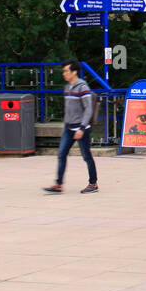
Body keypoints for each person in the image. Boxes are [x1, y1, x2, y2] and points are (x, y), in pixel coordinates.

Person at [43, 61, 98, 194]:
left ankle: (93, 183)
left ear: (74, 72)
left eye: (66, 71)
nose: (64, 73)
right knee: (61, 154)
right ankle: (58, 185)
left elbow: (88, 109)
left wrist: (82, 128)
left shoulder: (82, 87)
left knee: (86, 156)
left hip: (81, 128)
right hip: (69, 128)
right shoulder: (67, 87)